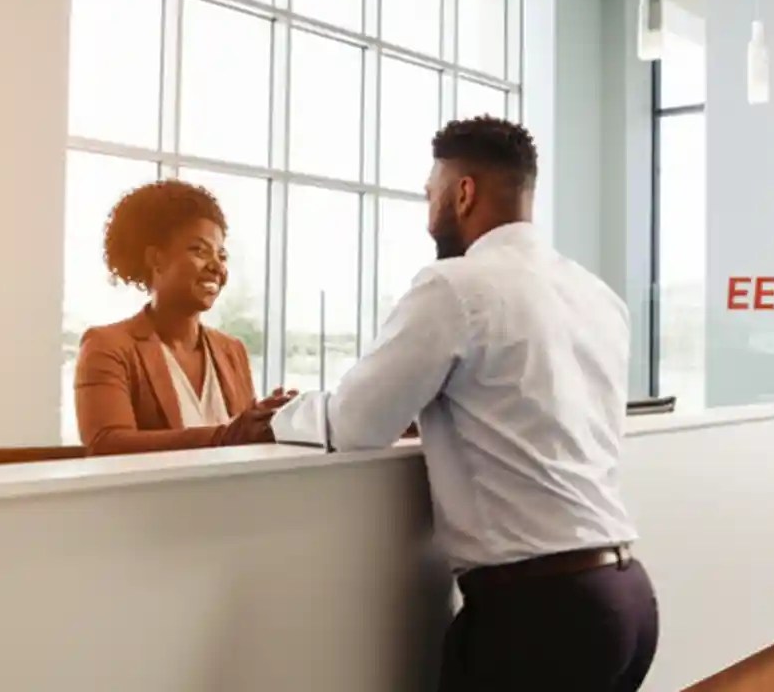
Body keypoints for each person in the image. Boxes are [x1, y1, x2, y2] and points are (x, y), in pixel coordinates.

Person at [269, 117, 659, 690]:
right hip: (627, 598)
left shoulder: (455, 286)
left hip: (538, 614)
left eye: (430, 195)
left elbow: (356, 422)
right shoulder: (596, 295)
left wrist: (280, 416)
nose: (429, 212)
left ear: (463, 192)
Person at [75, 179, 293, 456]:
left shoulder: (232, 350)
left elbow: (242, 445)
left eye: (221, 255)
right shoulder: (108, 346)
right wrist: (228, 435)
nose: (216, 267)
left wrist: (269, 419)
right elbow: (107, 444)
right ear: (156, 259)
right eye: (199, 251)